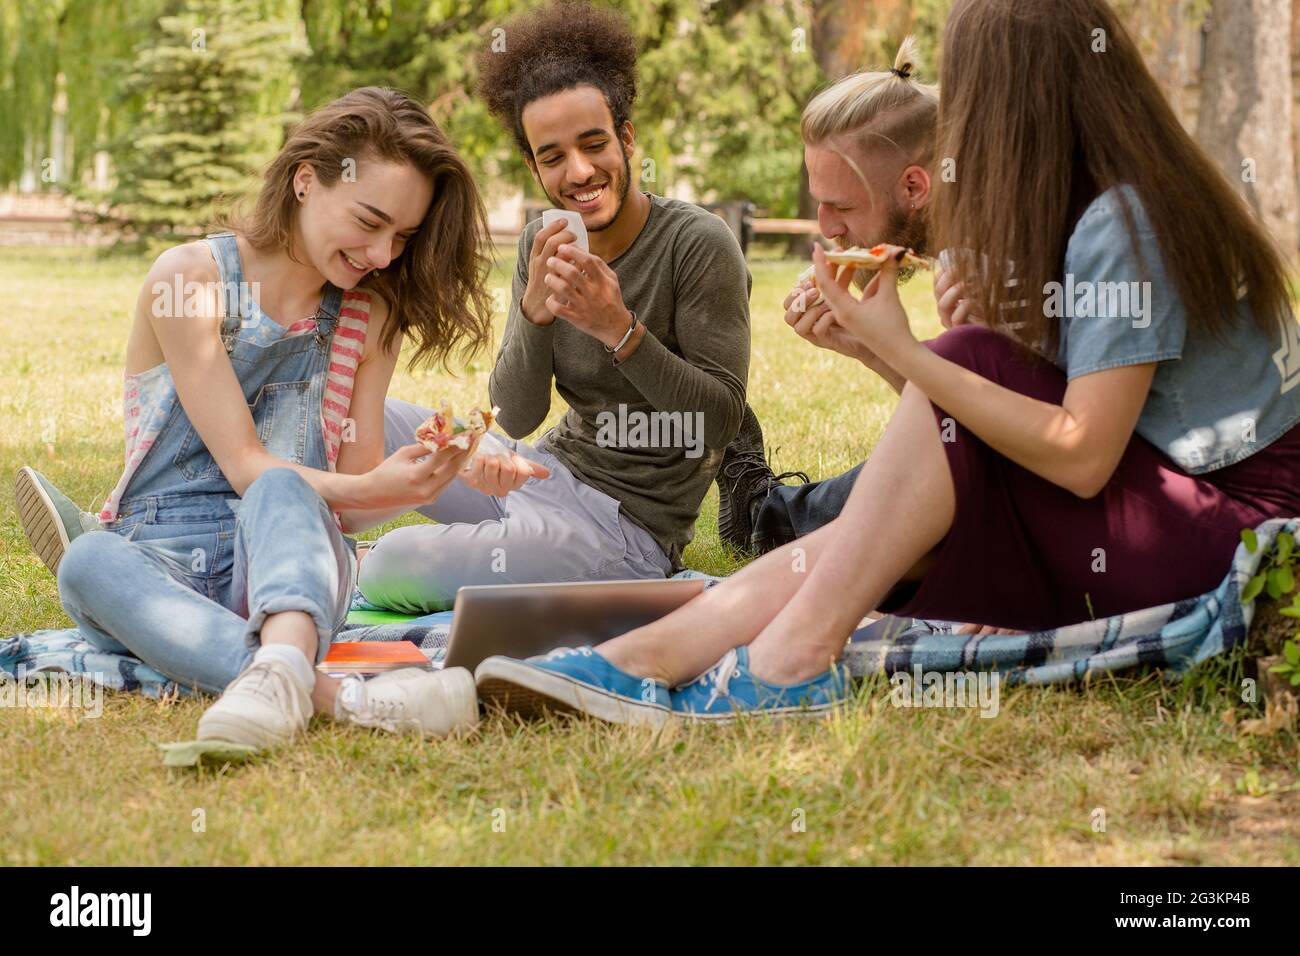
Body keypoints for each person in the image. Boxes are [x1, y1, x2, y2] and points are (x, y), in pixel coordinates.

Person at [473, 0, 1300, 724]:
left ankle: (787, 662)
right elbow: (976, 439)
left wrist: (909, 346)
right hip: (1162, 503)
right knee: (886, 503)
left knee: (958, 372)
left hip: (1231, 535)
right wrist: (895, 353)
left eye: (969, 91)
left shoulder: (1123, 221)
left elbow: (1081, 458)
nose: (959, 120)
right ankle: (648, 654)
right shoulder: (1102, 206)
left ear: (1019, 99)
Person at [14, 88, 519, 750]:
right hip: (164, 569)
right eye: (370, 222)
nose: (384, 255)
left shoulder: (369, 319)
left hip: (290, 581)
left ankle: (279, 667)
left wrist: (407, 480)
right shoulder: (191, 280)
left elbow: (349, 505)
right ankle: (331, 695)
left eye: (402, 237)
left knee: (286, 488)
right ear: (306, 181)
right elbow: (243, 463)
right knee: (85, 561)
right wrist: (372, 489)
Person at [355, 0, 752, 614]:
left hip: (622, 531)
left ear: (626, 138)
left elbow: (720, 422)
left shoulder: (696, 244)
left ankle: (476, 553)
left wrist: (618, 329)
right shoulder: (545, 243)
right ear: (533, 164)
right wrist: (536, 318)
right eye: (553, 156)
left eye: (595, 144)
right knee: (368, 418)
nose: (580, 171)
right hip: (542, 472)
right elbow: (513, 414)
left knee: (390, 564)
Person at [715, 38, 940, 556]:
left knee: (915, 471)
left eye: (841, 206)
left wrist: (885, 345)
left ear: (914, 187)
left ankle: (771, 517)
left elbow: (978, 441)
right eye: (819, 203)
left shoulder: (989, 263)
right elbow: (960, 420)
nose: (827, 229)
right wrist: (864, 344)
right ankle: (770, 513)